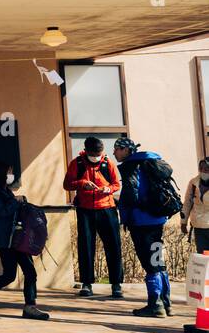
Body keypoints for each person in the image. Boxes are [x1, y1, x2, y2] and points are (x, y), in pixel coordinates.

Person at [0, 159, 49, 320]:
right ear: (1, 173)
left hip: (17, 238)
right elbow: (1, 211)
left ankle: (30, 306)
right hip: (6, 239)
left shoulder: (6, 190)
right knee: (10, 275)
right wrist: (15, 201)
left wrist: (17, 201)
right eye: (9, 172)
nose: (11, 175)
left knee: (29, 272)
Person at [113, 136, 172, 318]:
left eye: (117, 148)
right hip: (157, 219)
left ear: (126, 150)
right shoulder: (150, 162)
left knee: (149, 263)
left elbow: (132, 193)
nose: (114, 152)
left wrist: (121, 205)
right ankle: (166, 304)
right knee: (157, 259)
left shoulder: (131, 166)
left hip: (141, 221)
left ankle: (155, 305)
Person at [62, 136, 124, 299]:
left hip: (107, 209)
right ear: (86, 150)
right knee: (86, 247)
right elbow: (67, 184)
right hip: (85, 209)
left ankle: (116, 285)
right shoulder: (77, 163)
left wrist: (108, 189)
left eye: (99, 153)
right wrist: (82, 183)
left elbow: (117, 184)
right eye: (94, 154)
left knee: (113, 246)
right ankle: (87, 284)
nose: (97, 156)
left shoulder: (108, 163)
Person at [182, 157, 209, 255]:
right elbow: (187, 203)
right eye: (201, 168)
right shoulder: (193, 183)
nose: (203, 171)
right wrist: (183, 221)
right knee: (203, 257)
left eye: (206, 169)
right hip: (199, 227)